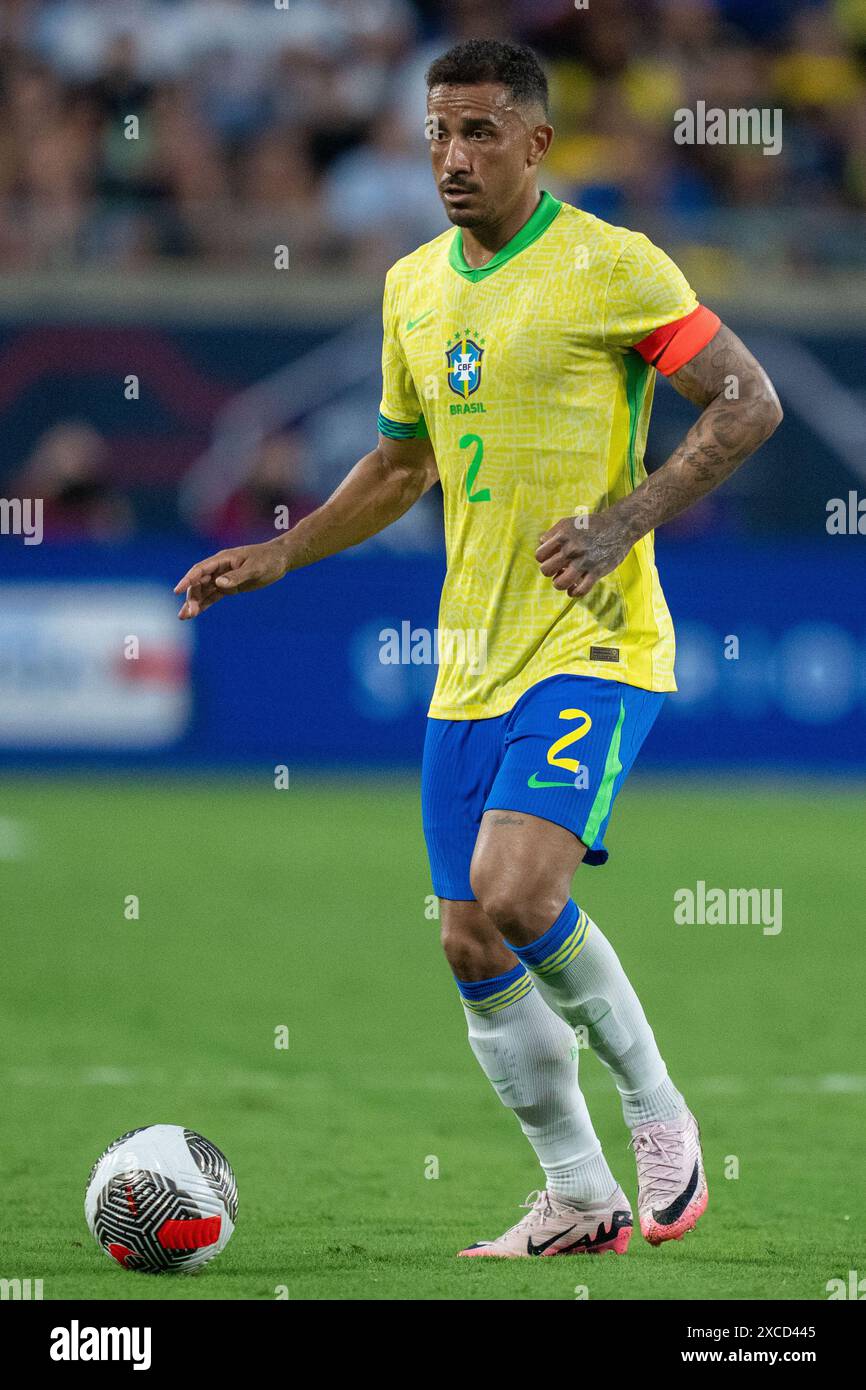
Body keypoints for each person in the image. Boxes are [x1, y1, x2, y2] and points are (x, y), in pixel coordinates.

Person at [174, 39, 782, 1258]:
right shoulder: (412, 285)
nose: (452, 156)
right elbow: (401, 464)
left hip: (594, 640)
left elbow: (746, 400)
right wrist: (279, 552)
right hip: (467, 658)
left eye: (480, 132)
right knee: (466, 935)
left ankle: (658, 1108)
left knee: (516, 893)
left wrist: (620, 523)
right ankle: (576, 1197)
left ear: (537, 142)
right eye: (436, 132)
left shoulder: (612, 267)